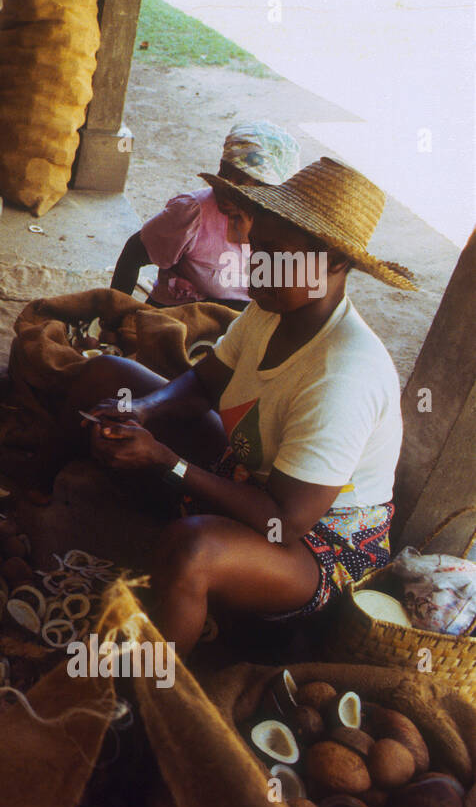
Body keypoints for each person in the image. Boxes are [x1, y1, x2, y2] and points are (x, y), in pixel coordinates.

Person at [67, 158, 416, 655]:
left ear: (335, 262)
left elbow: (284, 521)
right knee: (105, 376)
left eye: (276, 256)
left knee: (192, 551)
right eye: (256, 249)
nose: (255, 267)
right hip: (248, 475)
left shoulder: (345, 375)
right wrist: (144, 409)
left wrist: (169, 463)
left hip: (317, 544)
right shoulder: (271, 309)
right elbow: (205, 382)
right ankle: (50, 498)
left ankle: (156, 699)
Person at [111, 121, 300, 311]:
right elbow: (132, 254)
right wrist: (115, 313)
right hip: (177, 318)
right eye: (224, 172)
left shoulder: (279, 230)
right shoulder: (191, 213)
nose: (223, 187)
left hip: (235, 324)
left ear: (266, 191)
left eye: (241, 181)